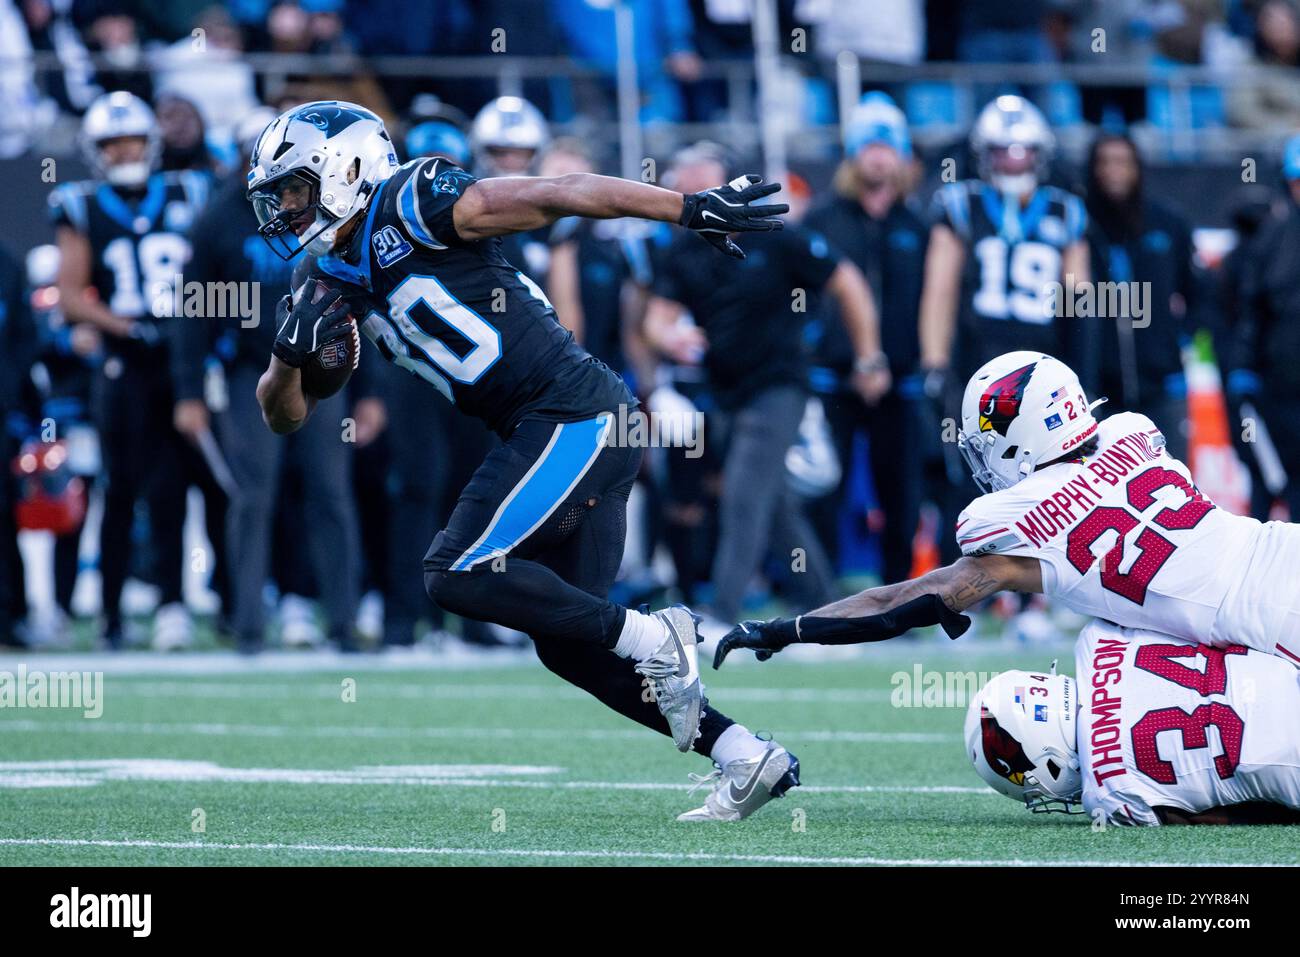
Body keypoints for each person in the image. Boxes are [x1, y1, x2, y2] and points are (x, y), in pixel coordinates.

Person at [248, 100, 799, 821]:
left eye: (294, 189)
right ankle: (744, 754)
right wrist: (289, 356)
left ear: (345, 169)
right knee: (569, 645)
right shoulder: (320, 284)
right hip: (554, 427)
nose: (285, 210)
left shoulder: (415, 199)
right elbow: (284, 414)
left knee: (453, 570)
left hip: (574, 414)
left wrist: (687, 207)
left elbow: (555, 193)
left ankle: (655, 631)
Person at [714, 350, 1300, 672]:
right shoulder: (1134, 430)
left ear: (1018, 435)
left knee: (1107, 654)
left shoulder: (1010, 517)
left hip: (1259, 622)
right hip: (1280, 548)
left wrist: (786, 629)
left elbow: (900, 604)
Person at [644, 143, 891, 626]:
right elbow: (658, 317)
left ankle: (721, 612)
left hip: (780, 382)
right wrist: (671, 338)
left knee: (742, 490)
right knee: (771, 500)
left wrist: (869, 356)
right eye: (686, 173)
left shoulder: (776, 235)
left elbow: (849, 284)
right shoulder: (681, 247)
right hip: (725, 386)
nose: (691, 181)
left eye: (703, 174)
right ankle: (827, 606)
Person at [172, 106, 363, 654]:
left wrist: (366, 391)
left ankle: (344, 623)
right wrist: (188, 389)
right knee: (254, 497)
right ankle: (249, 624)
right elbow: (193, 310)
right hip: (250, 371)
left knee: (331, 493)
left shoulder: (330, 204)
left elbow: (361, 299)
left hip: (326, 370)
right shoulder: (217, 219)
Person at [50, 91, 220, 649]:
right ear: (96, 150)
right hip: (123, 361)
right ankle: (111, 614)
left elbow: (213, 268)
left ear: (151, 143)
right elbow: (70, 296)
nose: (124, 150)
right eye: (112, 142)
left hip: (179, 357)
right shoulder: (81, 204)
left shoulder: (188, 190)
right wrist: (124, 325)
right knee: (119, 487)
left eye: (131, 140)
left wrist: (192, 324)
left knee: (175, 484)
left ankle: (174, 603)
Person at [918, 95, 1091, 564]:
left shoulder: (1065, 212)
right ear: (984, 154)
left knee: (1050, 470)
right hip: (981, 359)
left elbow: (1079, 298)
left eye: (1021, 151)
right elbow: (940, 290)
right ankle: (969, 580)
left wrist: (1083, 367)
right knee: (975, 471)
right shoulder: (962, 204)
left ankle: (1042, 582)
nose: (1013, 161)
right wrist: (935, 361)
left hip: (1043, 361)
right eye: (1002, 151)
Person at [966, 620, 1300, 826]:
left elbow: (1210, 817)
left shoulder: (1107, 798)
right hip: (1286, 667)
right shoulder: (1098, 635)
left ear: (1044, 752)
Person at [805, 92, 928, 585]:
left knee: (901, 490)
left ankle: (898, 593)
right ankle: (822, 592)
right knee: (824, 487)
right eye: (869, 146)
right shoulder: (822, 220)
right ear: (853, 154)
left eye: (887, 146)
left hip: (901, 381)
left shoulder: (919, 225)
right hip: (832, 377)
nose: (878, 156)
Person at [1084, 131, 1199, 460]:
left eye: (1122, 162)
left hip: (1161, 382)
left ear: (1137, 168)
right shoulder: (1079, 226)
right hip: (1098, 390)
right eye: (1104, 162)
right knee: (1097, 490)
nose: (1113, 171)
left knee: (1173, 481)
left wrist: (1179, 338)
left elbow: (1200, 294)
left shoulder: (1168, 224)